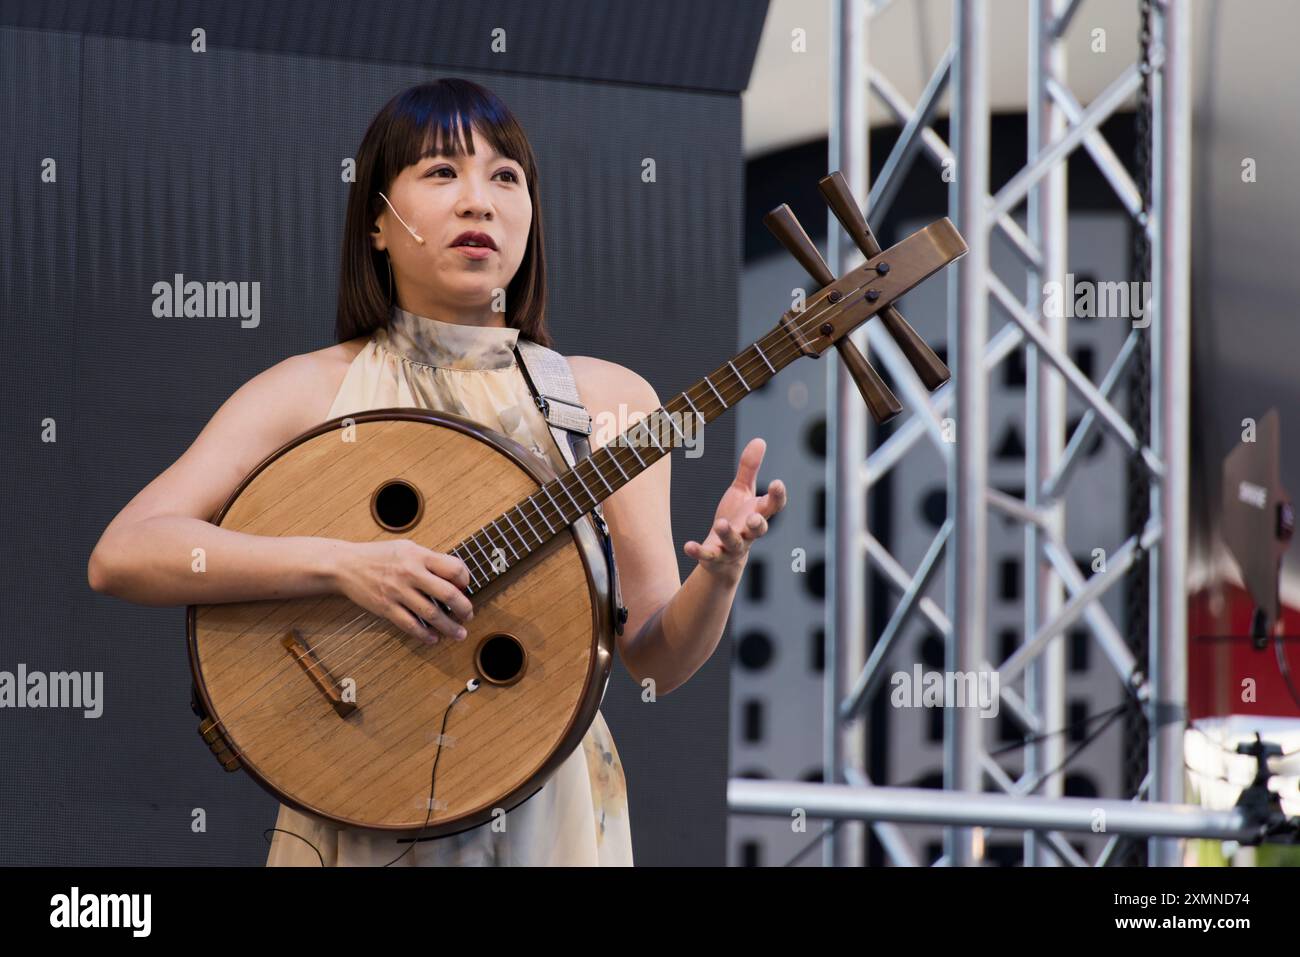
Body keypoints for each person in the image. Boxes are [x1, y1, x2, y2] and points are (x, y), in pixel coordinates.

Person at [87, 78, 787, 866]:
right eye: (441, 172)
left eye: (505, 177)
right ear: (379, 223)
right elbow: (126, 552)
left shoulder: (606, 398)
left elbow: (653, 656)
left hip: (548, 812)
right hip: (357, 799)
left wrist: (721, 572)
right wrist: (344, 565)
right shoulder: (310, 390)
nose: (478, 202)